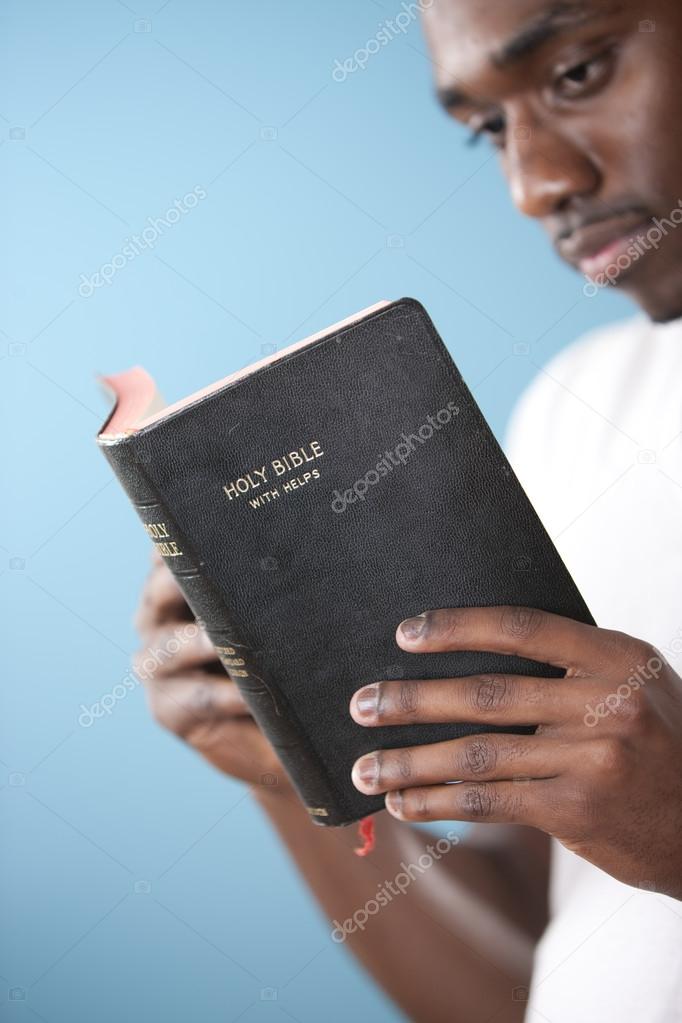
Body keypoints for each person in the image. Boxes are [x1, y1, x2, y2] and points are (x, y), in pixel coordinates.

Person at [134, 2, 682, 1020]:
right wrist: (296, 770)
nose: (536, 185)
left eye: (577, 74)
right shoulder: (582, 412)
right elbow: (536, 964)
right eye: (486, 128)